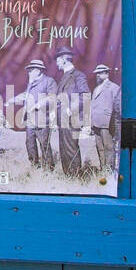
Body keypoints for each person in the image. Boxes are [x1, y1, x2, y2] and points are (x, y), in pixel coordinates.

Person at [10, 58, 58, 171]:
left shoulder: (49, 81)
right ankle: (34, 167)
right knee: (30, 143)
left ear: (39, 70)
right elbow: (26, 95)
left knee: (44, 144)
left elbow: (52, 98)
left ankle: (49, 170)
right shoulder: (31, 83)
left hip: (42, 119)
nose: (29, 72)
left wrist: (39, 104)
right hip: (30, 120)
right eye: (29, 70)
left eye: (31, 70)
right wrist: (13, 100)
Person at [54, 46, 90, 178]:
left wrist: (71, 109)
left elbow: (85, 95)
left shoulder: (78, 75)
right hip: (62, 119)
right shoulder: (64, 77)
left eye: (57, 59)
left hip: (71, 118)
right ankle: (68, 176)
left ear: (64, 59)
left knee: (71, 147)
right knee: (64, 148)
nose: (56, 63)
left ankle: (75, 177)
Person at [90, 63, 122, 177]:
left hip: (107, 123)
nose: (97, 75)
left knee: (108, 147)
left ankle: (109, 171)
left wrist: (116, 124)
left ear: (106, 74)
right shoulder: (96, 88)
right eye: (96, 73)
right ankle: (103, 169)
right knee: (100, 148)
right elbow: (92, 106)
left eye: (100, 73)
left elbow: (117, 107)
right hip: (96, 123)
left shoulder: (114, 87)